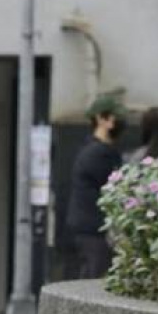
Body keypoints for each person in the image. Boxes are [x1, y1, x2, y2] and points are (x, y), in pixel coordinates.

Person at [66, 94, 126, 279]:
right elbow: (115, 188)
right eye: (115, 117)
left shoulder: (93, 149)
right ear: (101, 119)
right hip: (94, 230)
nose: (120, 122)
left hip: (90, 229)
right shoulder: (98, 153)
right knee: (93, 282)